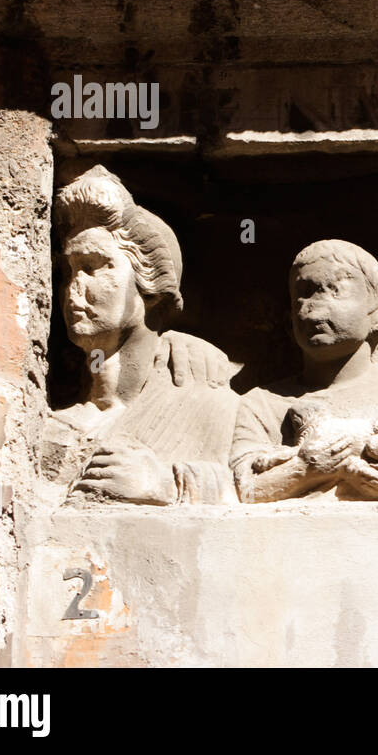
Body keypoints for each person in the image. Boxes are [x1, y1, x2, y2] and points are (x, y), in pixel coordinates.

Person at [48, 165, 238, 505]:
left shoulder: (210, 403)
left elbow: (252, 482)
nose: (74, 288)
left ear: (149, 283)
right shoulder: (52, 426)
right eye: (68, 271)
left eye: (93, 267)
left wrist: (168, 485)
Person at [230, 240, 378, 503]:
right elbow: (241, 490)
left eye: (334, 290)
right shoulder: (261, 404)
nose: (312, 307)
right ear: (289, 322)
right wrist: (304, 470)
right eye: (303, 292)